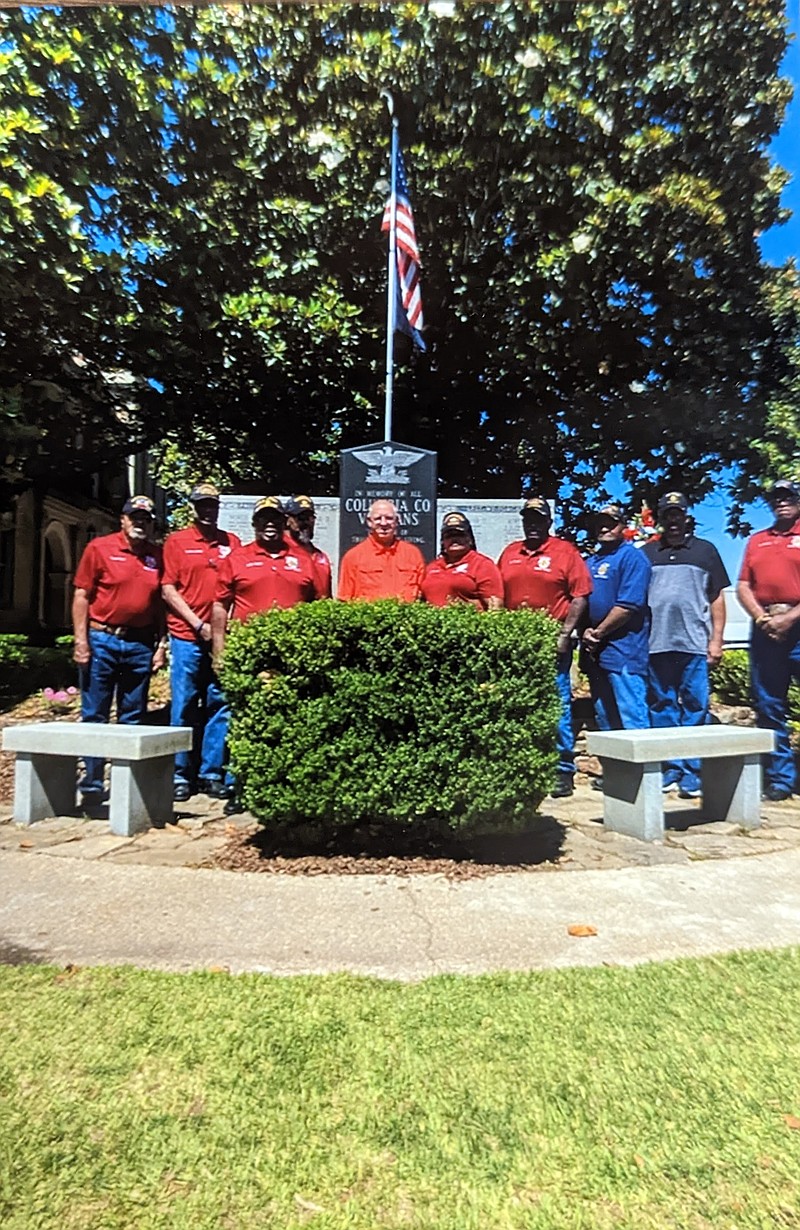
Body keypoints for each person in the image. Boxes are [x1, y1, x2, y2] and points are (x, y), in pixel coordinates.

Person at [72, 494, 166, 809]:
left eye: (146, 518)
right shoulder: (99, 548)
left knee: (133, 715)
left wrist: (160, 645)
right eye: (134, 517)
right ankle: (93, 784)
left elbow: (160, 606)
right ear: (123, 520)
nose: (140, 523)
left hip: (140, 643)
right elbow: (82, 595)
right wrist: (81, 641)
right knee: (95, 713)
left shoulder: (157, 556)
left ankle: (128, 785)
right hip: (102, 640)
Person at [498, 496, 592, 798]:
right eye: (528, 518)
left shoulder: (565, 552)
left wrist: (566, 633)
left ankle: (562, 769)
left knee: (557, 701)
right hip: (516, 640)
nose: (533, 524)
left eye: (539, 519)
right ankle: (523, 765)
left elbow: (580, 596)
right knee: (517, 703)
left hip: (553, 638)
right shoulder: (511, 552)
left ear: (549, 522)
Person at [644, 491, 729, 799]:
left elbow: (716, 597)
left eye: (677, 514)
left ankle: (693, 773)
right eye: (668, 514)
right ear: (660, 520)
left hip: (694, 644)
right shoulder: (647, 553)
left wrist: (716, 640)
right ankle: (671, 768)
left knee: (695, 706)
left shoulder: (706, 551)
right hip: (657, 644)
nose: (673, 520)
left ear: (686, 516)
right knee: (662, 706)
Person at [162, 482, 241, 802]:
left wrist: (223, 627)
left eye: (213, 505)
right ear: (194, 508)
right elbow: (168, 589)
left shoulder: (231, 542)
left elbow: (238, 588)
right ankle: (180, 774)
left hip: (220, 638)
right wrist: (197, 623)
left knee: (219, 704)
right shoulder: (177, 542)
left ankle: (211, 772)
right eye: (202, 505)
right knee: (183, 705)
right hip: (186, 636)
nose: (208, 510)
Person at [737, 478, 800, 801]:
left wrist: (789, 618)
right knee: (769, 706)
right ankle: (780, 779)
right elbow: (744, 586)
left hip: (798, 626)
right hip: (765, 631)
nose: (781, 502)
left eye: (788, 497)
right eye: (776, 498)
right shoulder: (757, 540)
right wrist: (762, 619)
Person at [582, 503, 651, 760]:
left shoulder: (632, 557)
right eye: (600, 523)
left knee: (631, 715)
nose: (604, 527)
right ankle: (615, 774)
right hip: (596, 653)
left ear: (622, 526)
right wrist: (586, 633)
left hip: (624, 651)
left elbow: (628, 606)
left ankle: (641, 776)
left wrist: (597, 632)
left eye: (611, 523)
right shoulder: (591, 561)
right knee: (604, 716)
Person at [338, 498, 425, 602]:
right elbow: (344, 599)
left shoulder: (413, 554)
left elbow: (423, 594)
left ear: (397, 521)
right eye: (378, 518)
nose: (383, 523)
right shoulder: (353, 556)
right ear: (369, 522)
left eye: (389, 518)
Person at [421, 511, 503, 610]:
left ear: (469, 539)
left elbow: (495, 606)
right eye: (449, 535)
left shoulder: (482, 564)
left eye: (460, 535)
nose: (454, 539)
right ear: (443, 541)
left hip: (467, 623)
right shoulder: (432, 567)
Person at [284, 495, 333, 598]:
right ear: (288, 520)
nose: (306, 522)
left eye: (310, 518)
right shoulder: (281, 552)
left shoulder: (321, 557)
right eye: (301, 518)